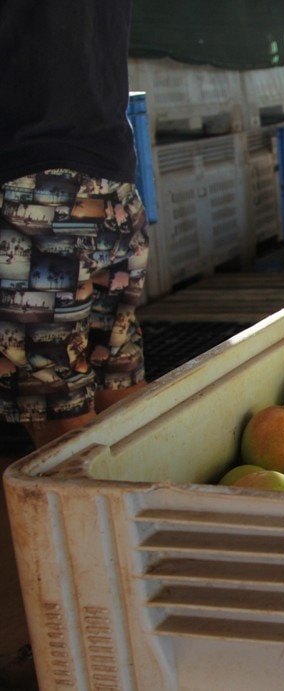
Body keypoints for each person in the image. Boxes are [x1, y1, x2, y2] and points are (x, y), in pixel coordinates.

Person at [1, 2, 149, 449]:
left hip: (33, 195)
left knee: (54, 434)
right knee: (121, 399)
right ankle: (127, 518)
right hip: (111, 188)